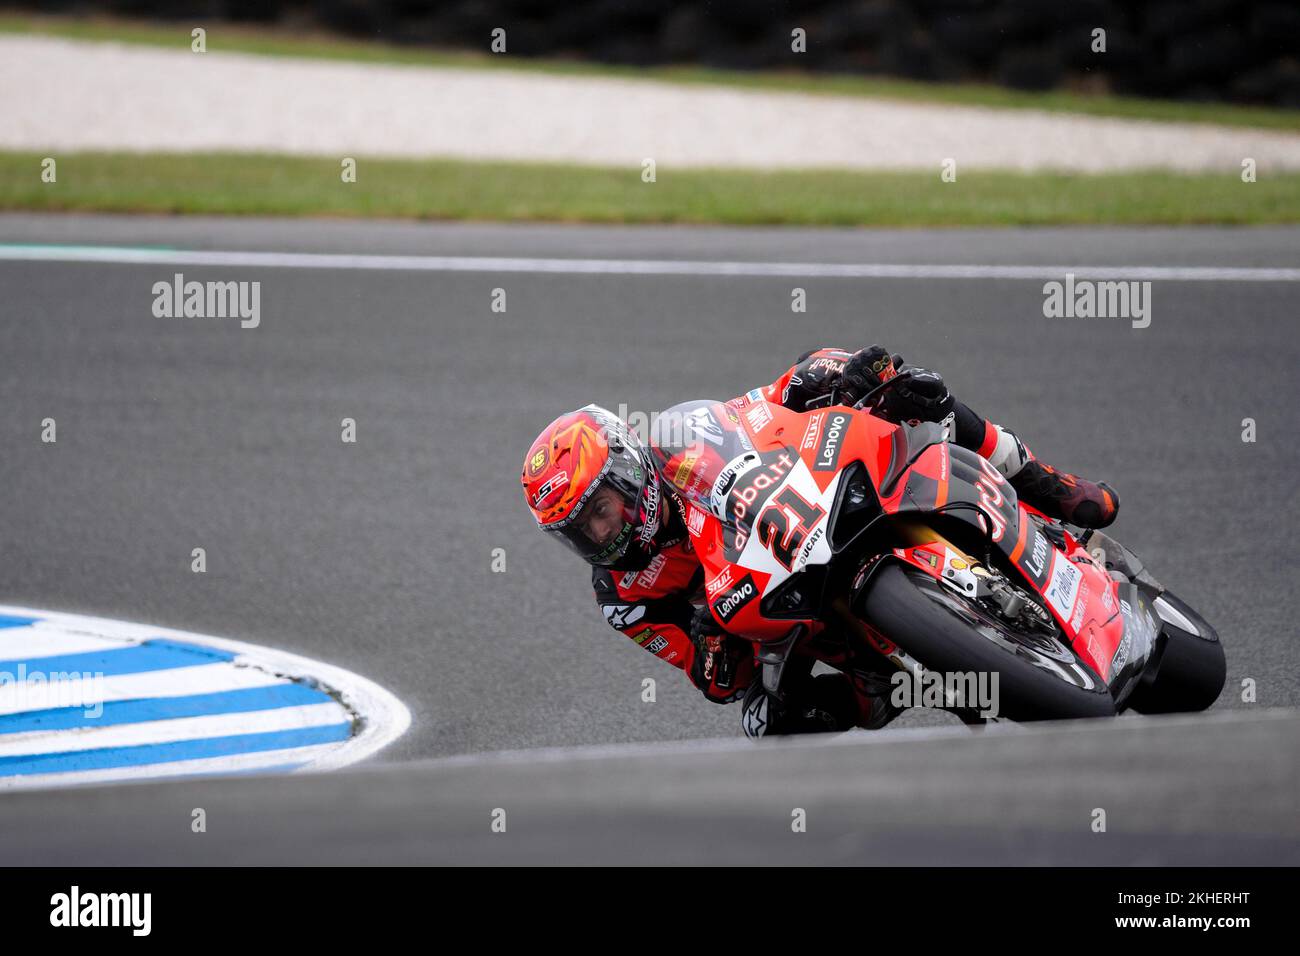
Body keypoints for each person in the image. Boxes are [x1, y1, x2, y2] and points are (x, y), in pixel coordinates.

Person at [519, 346, 1119, 736]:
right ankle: (924, 679)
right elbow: (713, 684)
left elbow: (763, 405)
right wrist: (710, 649)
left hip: (805, 506)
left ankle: (1041, 482)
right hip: (768, 615)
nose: (600, 534)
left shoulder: (679, 441)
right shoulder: (622, 598)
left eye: (599, 510)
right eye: (579, 531)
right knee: (763, 719)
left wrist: (836, 376)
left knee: (897, 387)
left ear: (627, 470)